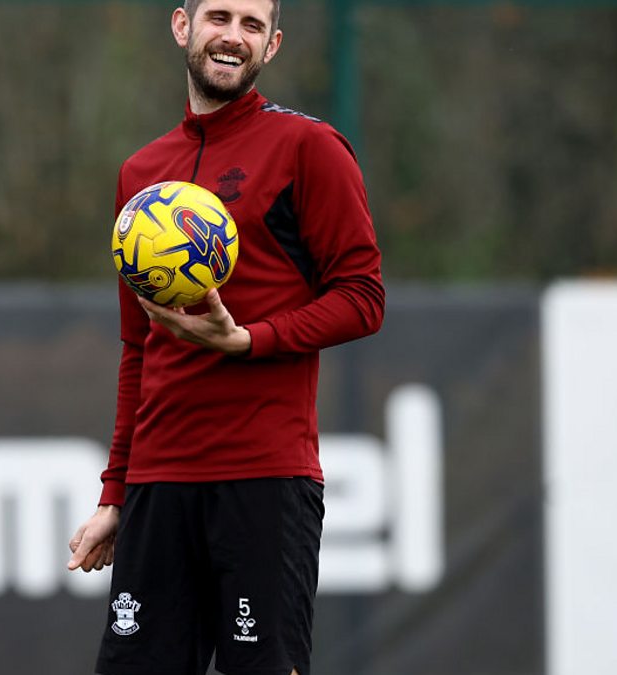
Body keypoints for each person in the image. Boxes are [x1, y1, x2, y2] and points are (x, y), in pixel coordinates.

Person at [67, 0, 384, 673]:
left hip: (264, 481)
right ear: (183, 27)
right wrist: (116, 492)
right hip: (159, 484)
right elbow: (138, 350)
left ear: (272, 46)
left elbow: (362, 297)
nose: (232, 37)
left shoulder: (308, 148)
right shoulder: (140, 175)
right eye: (219, 17)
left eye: (251, 25)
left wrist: (249, 340)